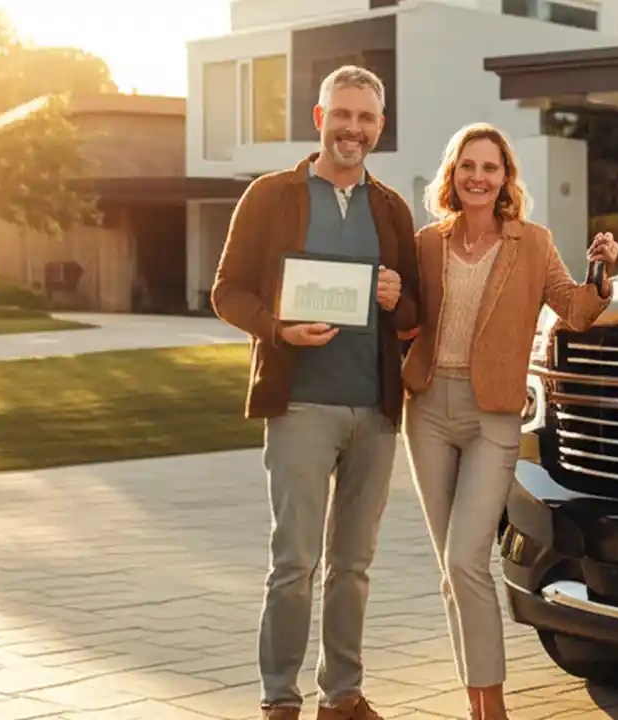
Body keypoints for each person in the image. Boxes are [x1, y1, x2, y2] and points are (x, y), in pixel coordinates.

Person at [210, 65, 418, 720]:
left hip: (376, 413)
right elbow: (227, 291)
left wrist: (397, 299)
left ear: (380, 127)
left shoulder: (392, 208)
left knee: (352, 565)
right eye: (342, 115)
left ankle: (343, 695)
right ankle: (280, 698)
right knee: (294, 562)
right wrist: (278, 328)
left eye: (366, 118)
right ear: (320, 118)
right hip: (300, 405)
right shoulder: (270, 196)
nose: (353, 128)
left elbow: (414, 314)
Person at [400, 122, 618, 720]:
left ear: (505, 178)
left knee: (466, 559)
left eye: (489, 168)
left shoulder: (533, 243)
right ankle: (476, 703)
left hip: (492, 416)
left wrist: (600, 272)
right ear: (453, 175)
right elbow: (406, 316)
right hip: (427, 410)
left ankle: (492, 709)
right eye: (467, 166)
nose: (478, 177)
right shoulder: (426, 243)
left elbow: (575, 310)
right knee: (452, 568)